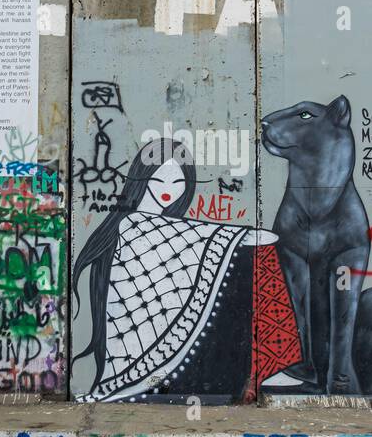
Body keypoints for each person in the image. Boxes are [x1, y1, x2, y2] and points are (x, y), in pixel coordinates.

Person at [71, 138, 298, 402]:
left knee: (237, 257)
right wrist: (243, 236)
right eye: (160, 180)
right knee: (241, 253)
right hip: (142, 360)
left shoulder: (164, 225)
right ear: (142, 178)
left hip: (179, 350)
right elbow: (196, 235)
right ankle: (271, 363)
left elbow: (188, 235)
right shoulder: (132, 222)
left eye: (178, 182)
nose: (169, 190)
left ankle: (270, 363)